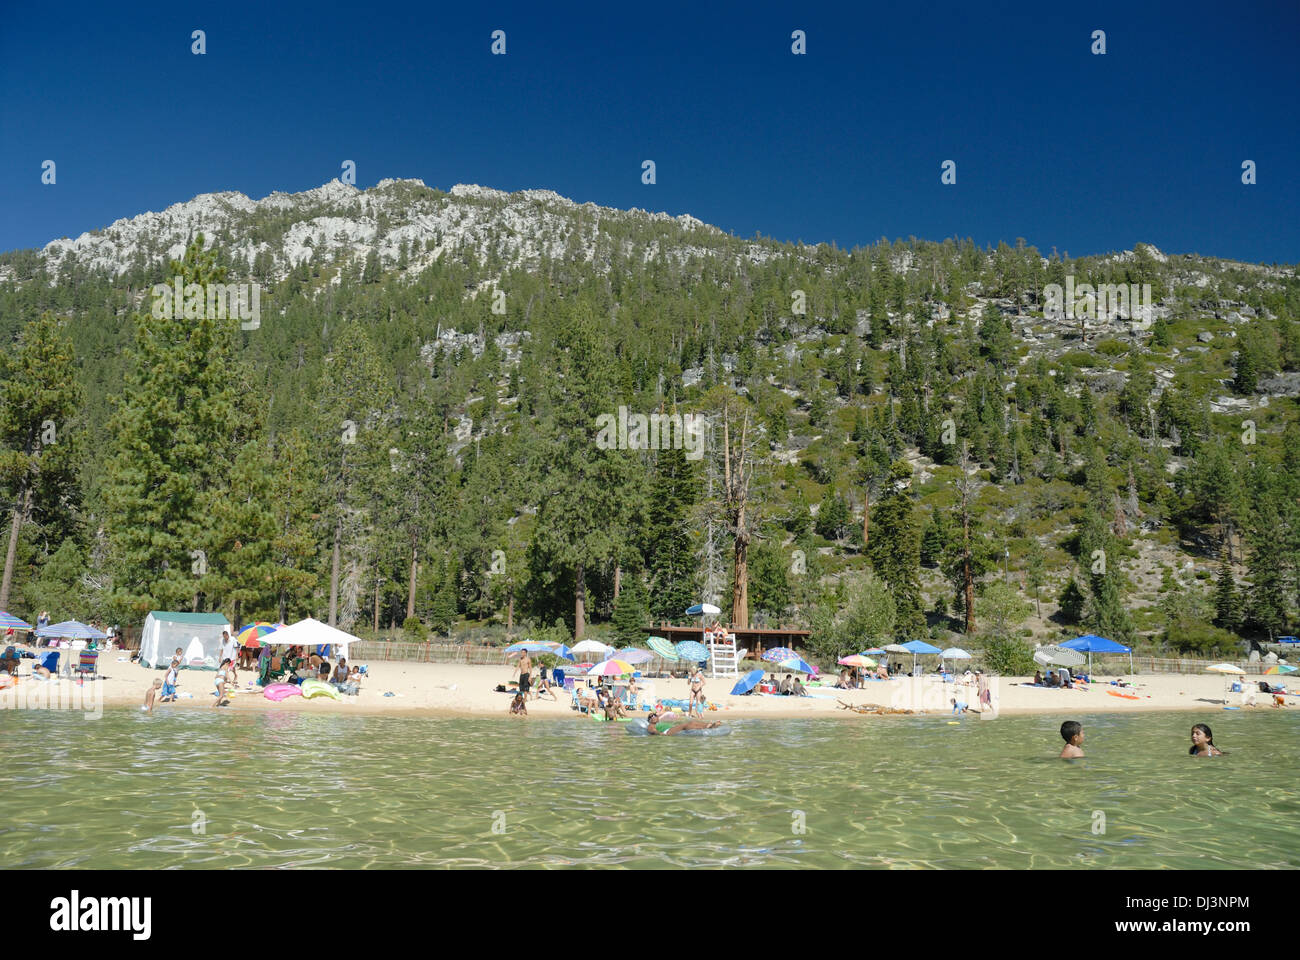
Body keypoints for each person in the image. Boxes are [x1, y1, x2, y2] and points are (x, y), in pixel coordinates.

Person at [644, 710, 723, 736]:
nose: (654, 716)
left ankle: (708, 725)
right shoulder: (651, 725)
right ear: (649, 720)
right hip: (667, 732)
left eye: (655, 715)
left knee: (691, 722)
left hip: (670, 729)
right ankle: (709, 726)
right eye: (651, 716)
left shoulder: (660, 722)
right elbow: (652, 730)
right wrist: (662, 734)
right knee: (686, 725)